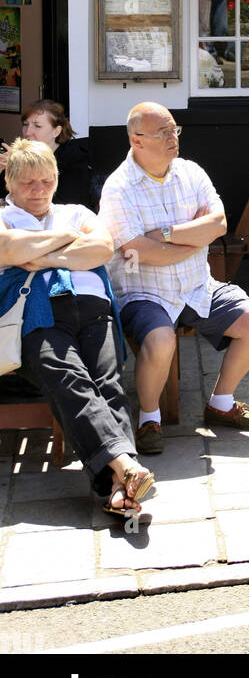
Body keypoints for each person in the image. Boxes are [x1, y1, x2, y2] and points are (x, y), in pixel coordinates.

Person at [98, 102, 249, 455]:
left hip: (196, 286)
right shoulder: (118, 187)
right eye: (162, 132)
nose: (172, 138)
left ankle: (221, 403)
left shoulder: (191, 172)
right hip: (143, 291)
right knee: (161, 340)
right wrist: (190, 241)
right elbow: (137, 251)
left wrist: (165, 233)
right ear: (137, 140)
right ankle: (149, 419)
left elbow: (219, 224)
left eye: (174, 129)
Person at [0, 139, 155, 516]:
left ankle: (120, 484)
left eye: (46, 181)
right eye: (28, 183)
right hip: (37, 311)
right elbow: (6, 249)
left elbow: (101, 249)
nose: (38, 190)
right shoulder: (4, 216)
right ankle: (126, 471)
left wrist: (38, 254)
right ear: (10, 182)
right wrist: (68, 240)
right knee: (67, 376)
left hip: (92, 307)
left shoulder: (76, 210)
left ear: (56, 178)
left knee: (108, 381)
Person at [0, 100, 97, 208]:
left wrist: (22, 170)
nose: (27, 132)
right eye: (25, 125)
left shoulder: (74, 158)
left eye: (37, 126)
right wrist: (5, 171)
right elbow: (4, 196)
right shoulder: (19, 156)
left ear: (56, 131)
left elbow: (65, 203)